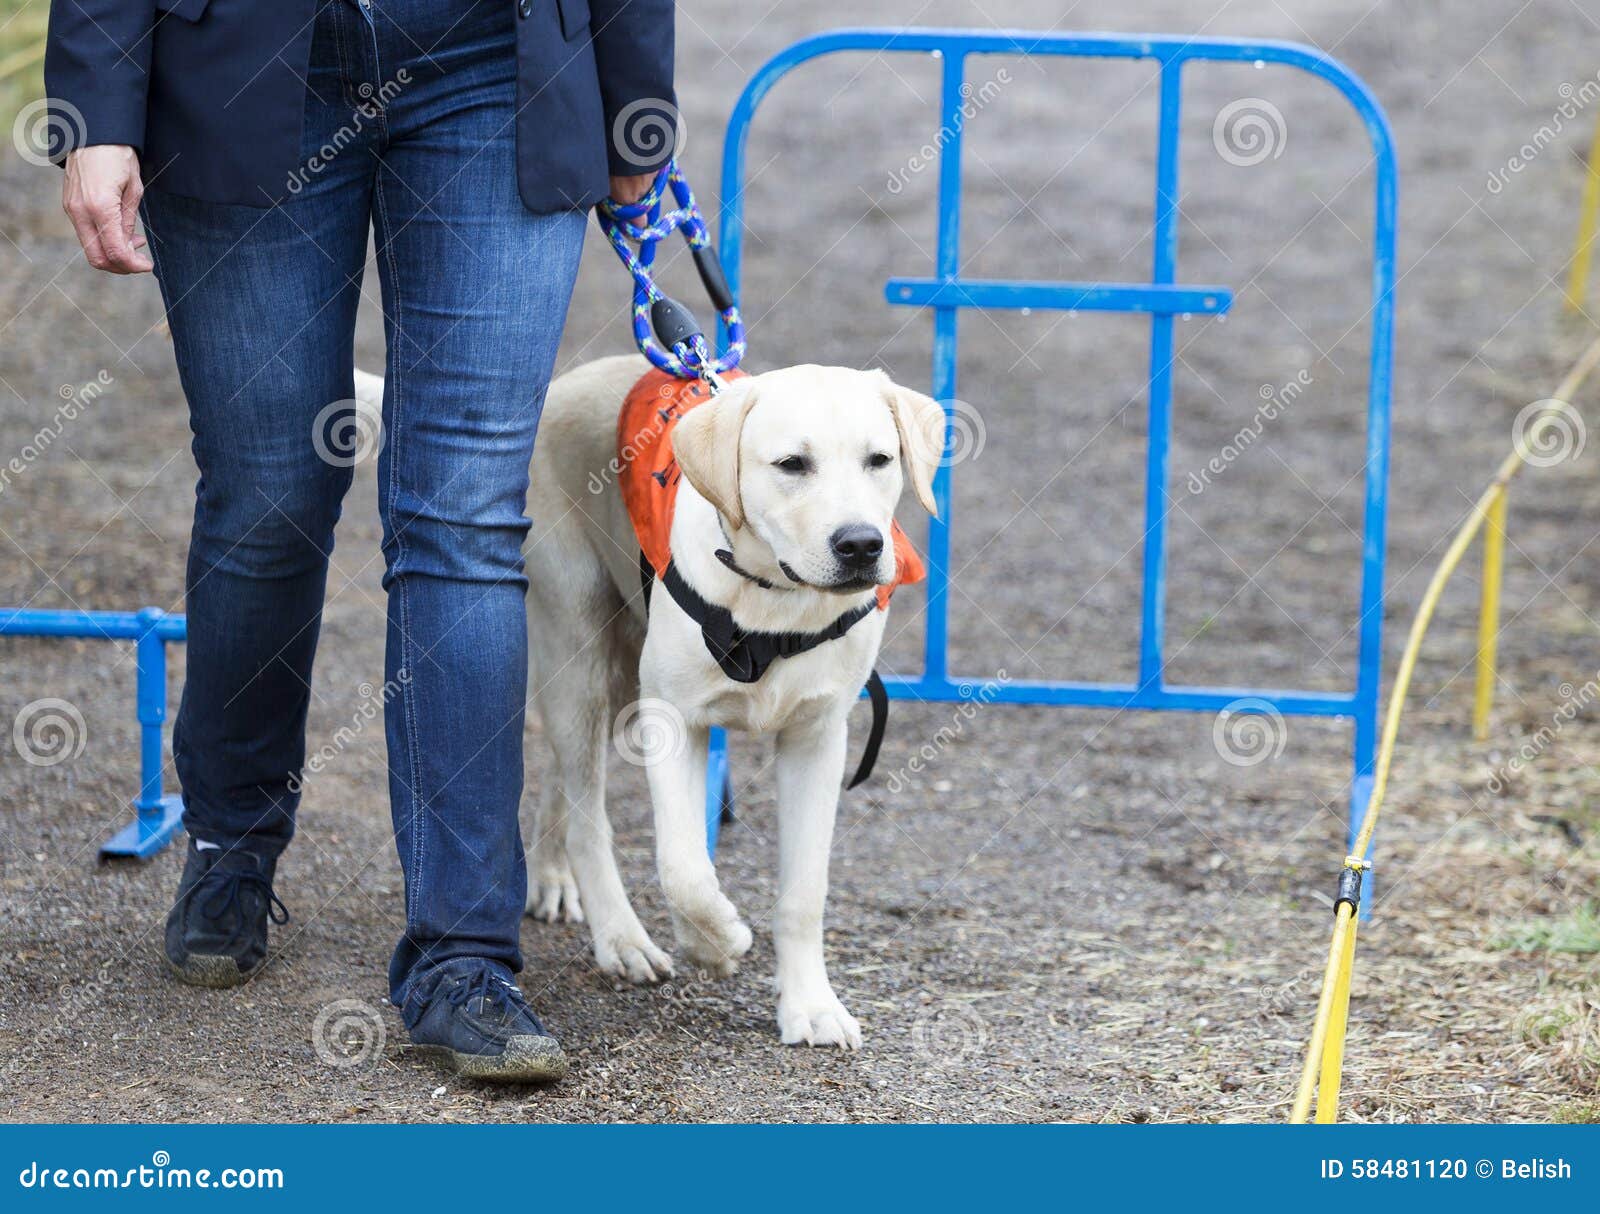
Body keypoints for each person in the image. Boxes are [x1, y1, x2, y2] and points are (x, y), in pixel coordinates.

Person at [44, 0, 674, 1083]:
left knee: (466, 513)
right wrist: (97, 105)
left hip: (498, 64)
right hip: (237, 64)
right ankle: (230, 842)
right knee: (269, 492)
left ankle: (464, 956)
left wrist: (636, 105)